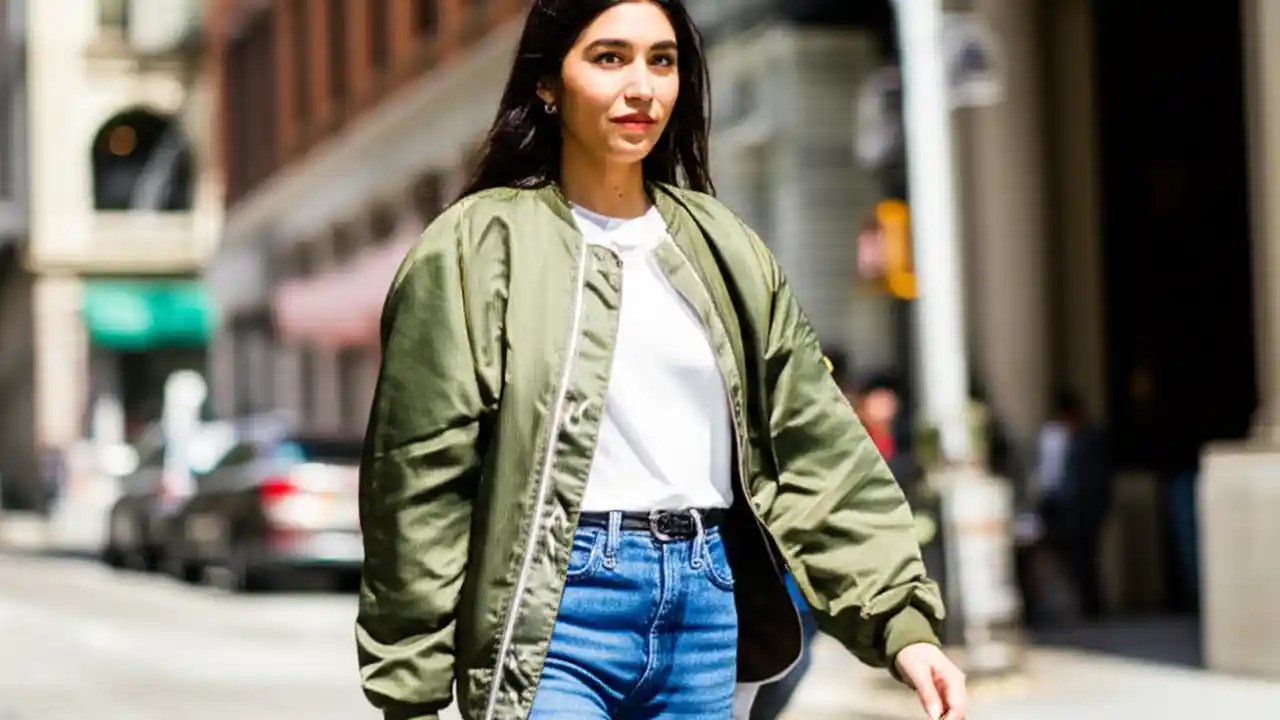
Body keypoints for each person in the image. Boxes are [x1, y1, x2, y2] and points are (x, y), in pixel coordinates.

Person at [355, 2, 966, 719]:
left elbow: (813, 444)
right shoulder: (476, 247)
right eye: (610, 58)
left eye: (662, 60)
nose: (642, 86)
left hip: (704, 611)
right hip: (553, 614)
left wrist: (900, 622)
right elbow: (419, 475)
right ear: (548, 82)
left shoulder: (721, 247)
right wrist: (412, 690)